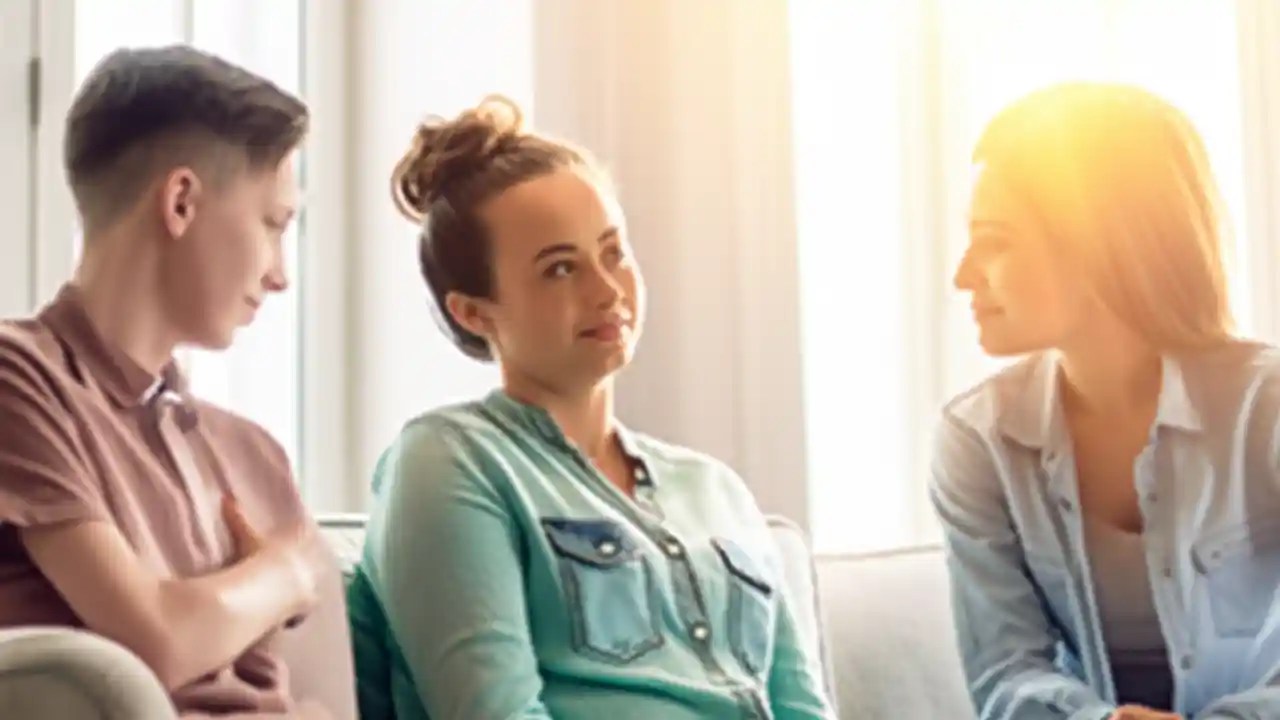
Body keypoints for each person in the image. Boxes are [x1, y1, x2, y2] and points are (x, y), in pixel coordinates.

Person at [345, 95, 835, 720]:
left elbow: (804, 709)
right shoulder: (449, 462)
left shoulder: (717, 490)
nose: (607, 290)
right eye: (558, 270)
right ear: (473, 311)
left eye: (613, 252)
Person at [0, 45, 344, 718]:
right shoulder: (20, 382)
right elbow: (154, 641)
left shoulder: (252, 453)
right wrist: (284, 572)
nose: (281, 275)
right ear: (181, 201)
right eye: (273, 224)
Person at [932, 81, 1280, 720]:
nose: (963, 275)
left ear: (1098, 243)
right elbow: (1006, 676)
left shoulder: (1267, 409)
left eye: (995, 240)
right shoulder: (978, 440)